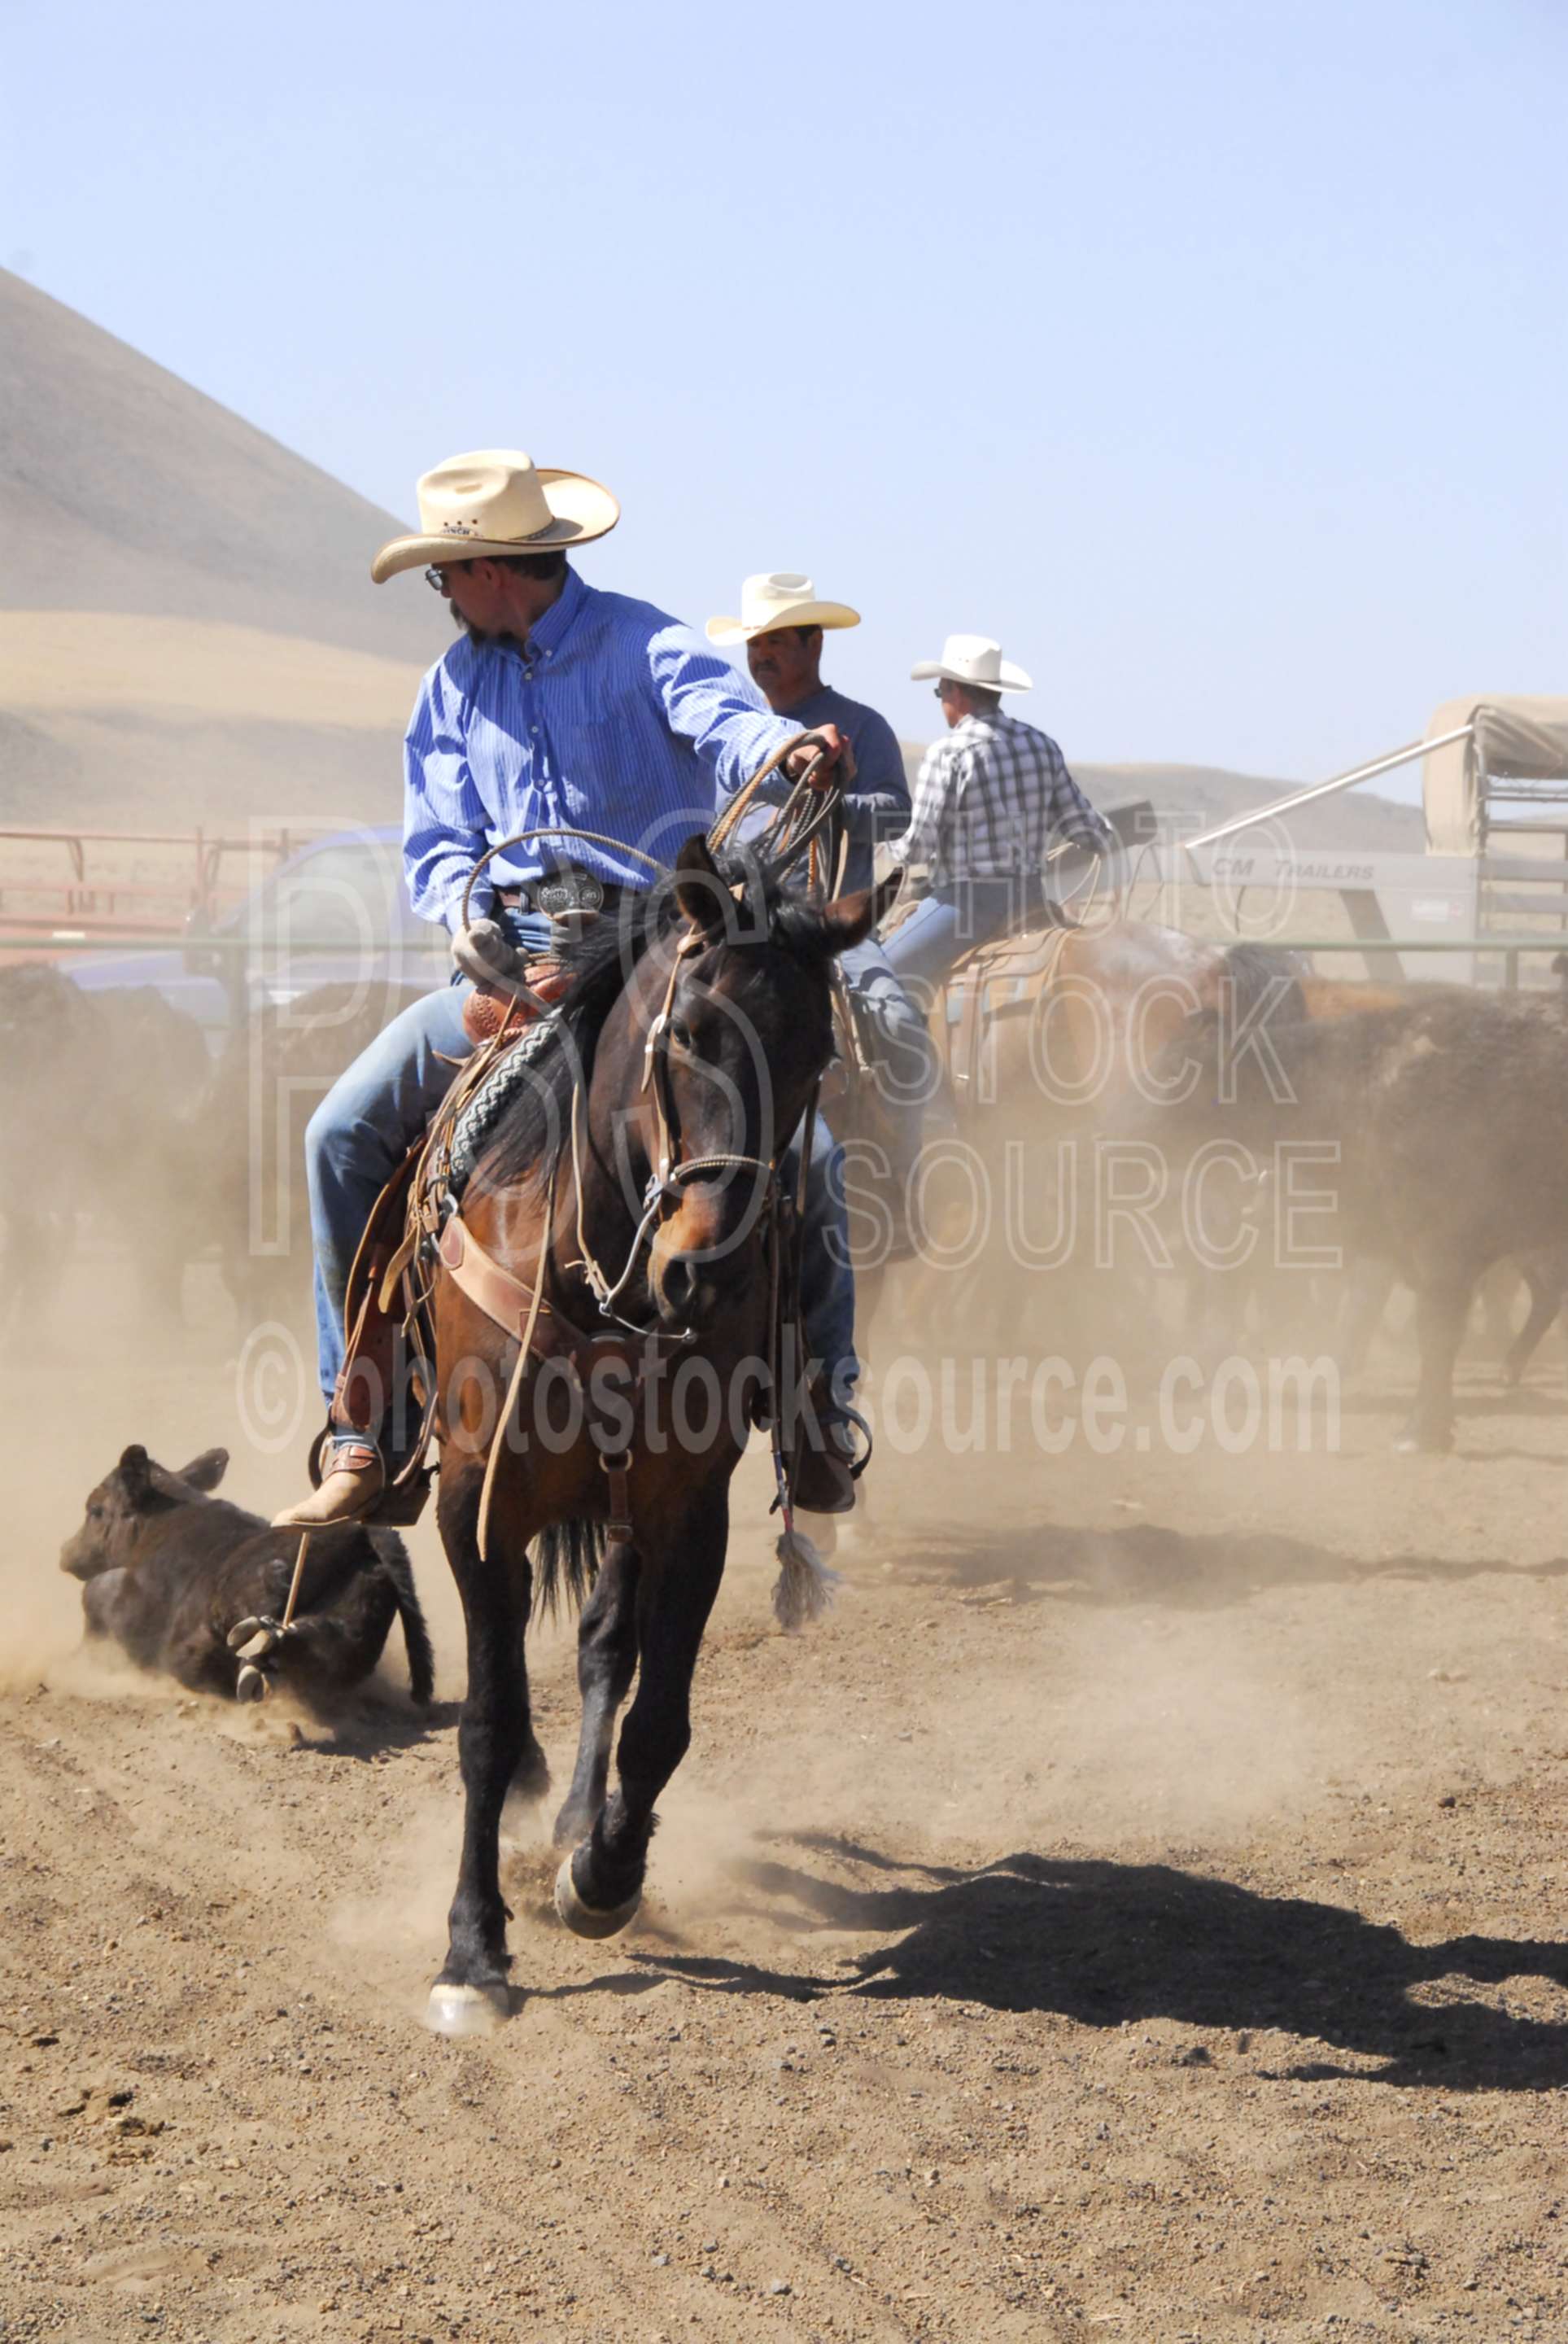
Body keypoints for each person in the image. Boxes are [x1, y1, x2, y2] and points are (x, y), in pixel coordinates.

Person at [277, 451, 861, 1528]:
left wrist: (784, 753)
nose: (443, 596)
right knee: (338, 1134)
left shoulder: (643, 641)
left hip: (657, 945)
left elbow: (725, 724)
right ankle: (365, 1427)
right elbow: (441, 843)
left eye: (445, 575)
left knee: (807, 1156)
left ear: (490, 569)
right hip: (512, 962)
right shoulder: (450, 684)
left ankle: (821, 1404)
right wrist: (471, 928)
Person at [707, 575, 935, 1207]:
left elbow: (893, 814)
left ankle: (905, 1187)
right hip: (741, 922)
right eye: (755, 643)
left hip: (826, 921)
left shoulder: (862, 725)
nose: (761, 656)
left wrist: (828, 807)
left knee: (899, 1024)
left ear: (815, 644)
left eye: (776, 641)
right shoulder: (735, 734)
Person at [883, 633, 1116, 991]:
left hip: (965, 907)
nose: (941, 701)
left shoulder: (948, 754)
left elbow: (917, 848)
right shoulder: (1041, 745)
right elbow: (1081, 825)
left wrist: (887, 843)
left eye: (940, 692)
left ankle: (907, 1046)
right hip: (1031, 900)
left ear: (955, 691)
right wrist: (1108, 836)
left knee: (879, 976)